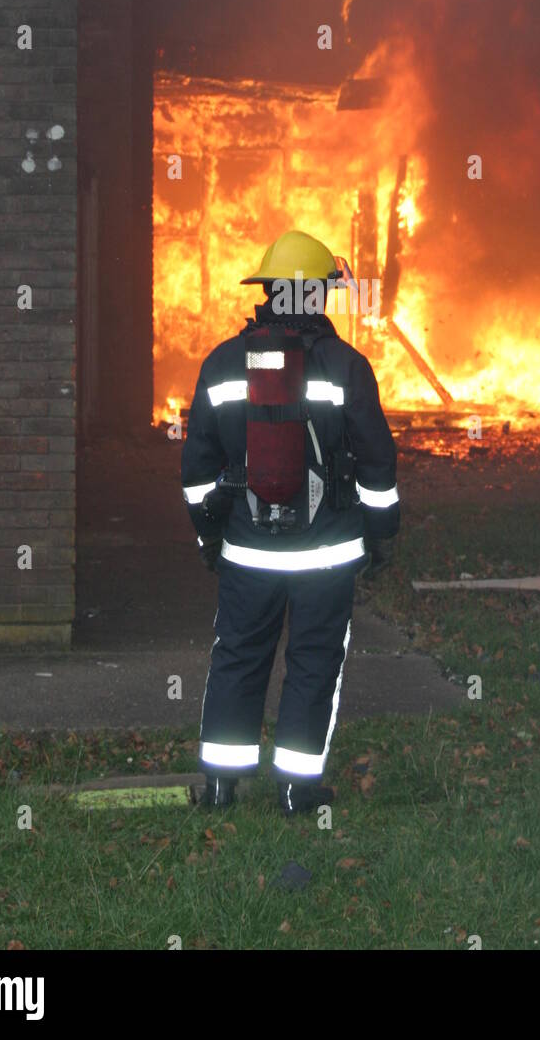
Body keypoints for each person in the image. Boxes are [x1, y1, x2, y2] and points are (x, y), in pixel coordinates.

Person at [181, 229, 400, 815]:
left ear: (270, 290)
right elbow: (377, 463)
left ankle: (222, 787)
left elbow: (198, 469)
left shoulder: (224, 363)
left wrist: (209, 535)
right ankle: (296, 791)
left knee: (238, 655)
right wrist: (380, 536)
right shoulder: (347, 367)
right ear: (317, 296)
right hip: (326, 556)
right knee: (314, 659)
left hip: (247, 553)